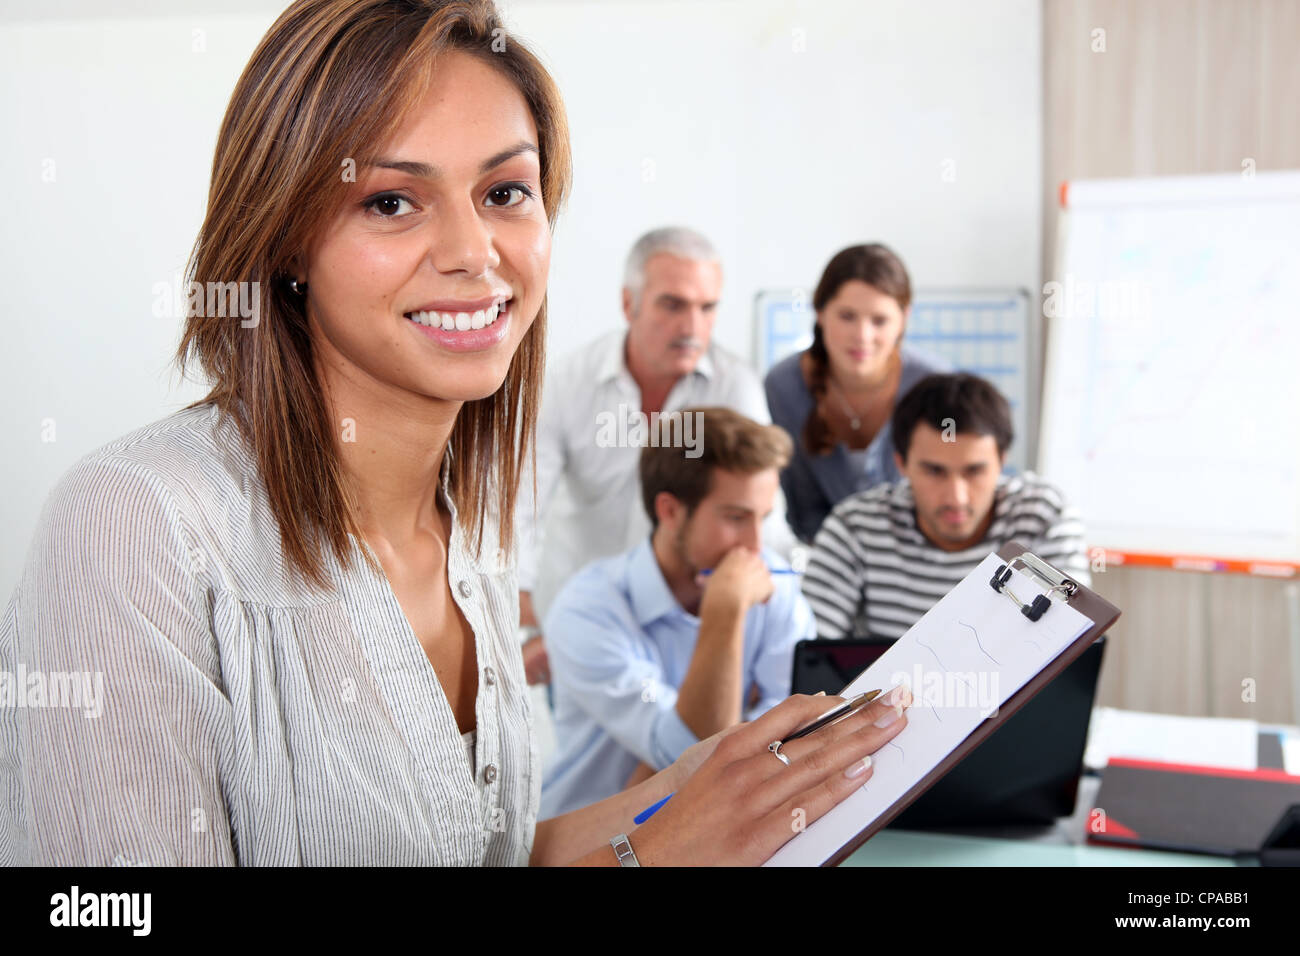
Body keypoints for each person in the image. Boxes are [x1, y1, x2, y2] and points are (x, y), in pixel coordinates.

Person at [0, 0, 909, 867]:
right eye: (392, 201)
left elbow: (486, 855)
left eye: (506, 191)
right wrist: (659, 853)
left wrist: (694, 787)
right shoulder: (134, 526)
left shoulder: (466, 535)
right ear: (282, 238)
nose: (476, 252)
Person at [515, 226, 791, 685]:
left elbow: (763, 514)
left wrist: (771, 605)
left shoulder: (735, 386)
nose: (692, 327)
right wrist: (529, 626)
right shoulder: (566, 383)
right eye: (673, 304)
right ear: (629, 304)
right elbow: (517, 509)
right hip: (584, 621)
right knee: (599, 758)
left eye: (707, 308)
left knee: (690, 749)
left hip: (688, 623)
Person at [540, 407, 814, 817]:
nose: (755, 545)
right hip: (583, 846)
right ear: (669, 511)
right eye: (736, 518)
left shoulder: (776, 587)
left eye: (763, 519)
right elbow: (694, 756)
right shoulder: (588, 609)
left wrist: (697, 744)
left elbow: (798, 734)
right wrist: (725, 611)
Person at [801, 373, 1090, 641]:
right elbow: (811, 654)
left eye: (974, 470)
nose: (956, 497)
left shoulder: (1044, 516)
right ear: (901, 464)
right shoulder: (855, 526)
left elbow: (1071, 646)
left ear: (1002, 461)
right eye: (934, 471)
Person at [765, 243, 949, 544]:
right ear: (820, 312)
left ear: (904, 318)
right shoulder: (783, 386)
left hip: (922, 557)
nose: (862, 336)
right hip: (828, 556)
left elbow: (948, 494)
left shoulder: (937, 384)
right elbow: (803, 510)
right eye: (847, 316)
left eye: (879, 320)